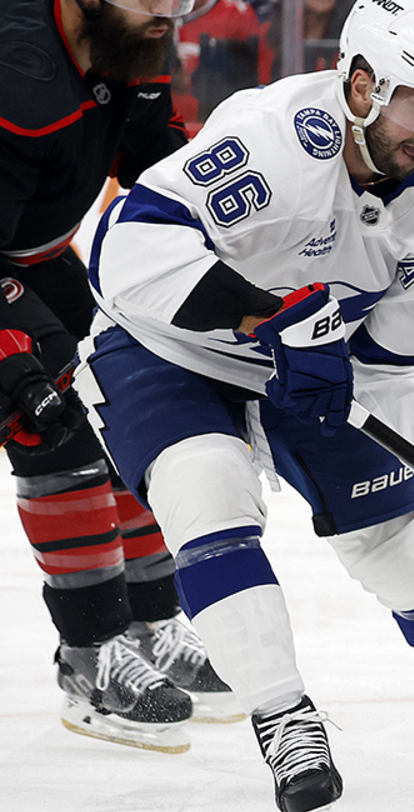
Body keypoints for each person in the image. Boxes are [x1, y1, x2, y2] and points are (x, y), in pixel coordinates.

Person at [80, 0, 414, 812]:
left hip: (318, 368)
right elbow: (126, 250)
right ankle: (283, 717)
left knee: (397, 543)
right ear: (361, 84)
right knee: (209, 496)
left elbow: (404, 369)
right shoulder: (273, 138)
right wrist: (258, 320)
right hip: (167, 346)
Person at [1, 0, 241, 754]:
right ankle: (90, 658)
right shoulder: (15, 68)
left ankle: (150, 624)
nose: (170, 10)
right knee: (52, 420)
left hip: (34, 257)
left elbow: (159, 173)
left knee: (125, 401)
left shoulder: (131, 35)